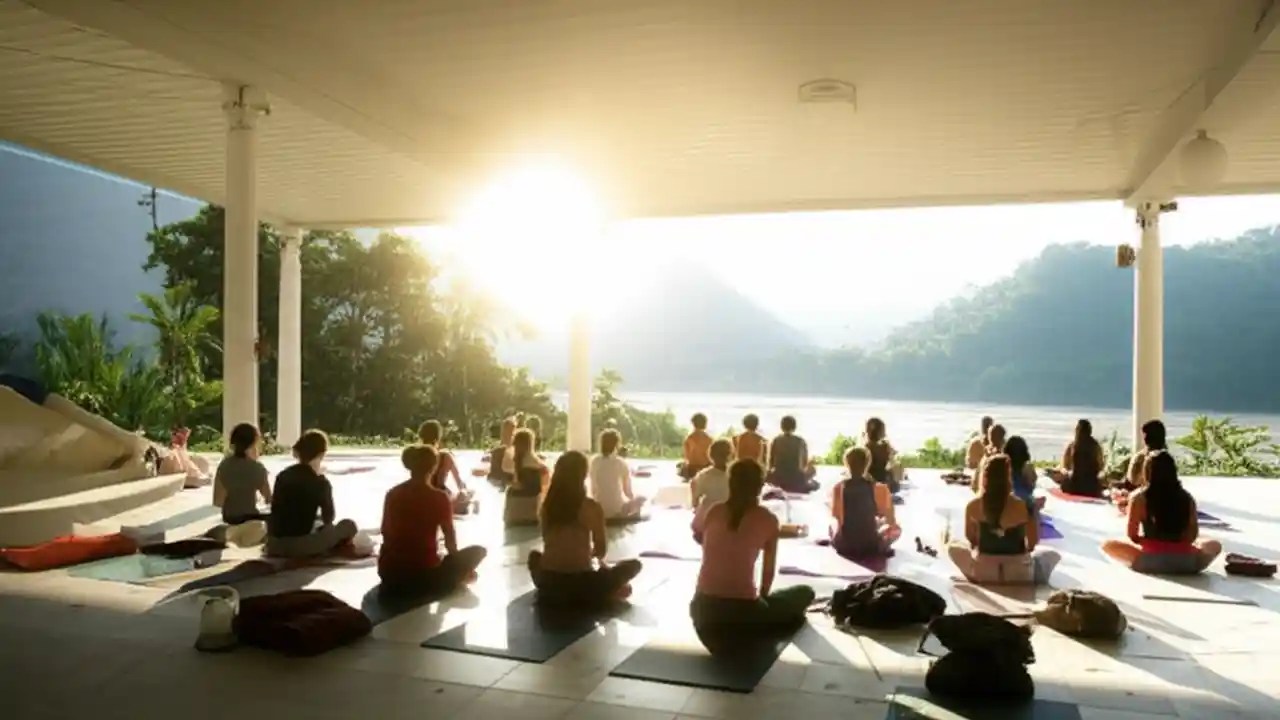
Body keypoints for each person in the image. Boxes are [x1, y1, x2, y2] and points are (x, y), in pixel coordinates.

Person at [690, 458, 816, 644]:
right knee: (805, 592)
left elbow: (704, 542)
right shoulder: (767, 519)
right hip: (744, 617)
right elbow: (767, 574)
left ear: (730, 483)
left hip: (702, 615)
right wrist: (763, 604)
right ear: (759, 487)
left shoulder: (714, 511)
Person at [528, 451, 643, 608]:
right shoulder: (590, 507)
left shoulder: (547, 507)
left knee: (534, 556)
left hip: (549, 581)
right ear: (583, 475)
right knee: (634, 565)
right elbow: (600, 550)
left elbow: (548, 541)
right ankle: (603, 592)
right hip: (583, 583)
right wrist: (596, 563)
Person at [378, 445, 487, 596]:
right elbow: (450, 544)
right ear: (434, 467)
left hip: (389, 573)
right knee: (479, 551)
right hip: (424, 576)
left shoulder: (393, 494)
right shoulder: (440, 498)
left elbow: (385, 531)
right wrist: (460, 568)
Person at [1101, 452, 1222, 575]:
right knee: (1214, 545)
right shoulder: (1186, 497)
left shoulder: (1139, 498)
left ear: (1146, 472)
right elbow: (1192, 536)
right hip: (1187, 562)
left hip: (1149, 560)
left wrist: (1149, 543)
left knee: (1108, 545)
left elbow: (1132, 535)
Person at [948, 455, 1060, 585]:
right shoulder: (1022, 506)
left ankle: (976, 576)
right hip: (1019, 573)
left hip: (984, 572)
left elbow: (971, 539)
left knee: (953, 547)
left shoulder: (973, 506)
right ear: (1008, 476)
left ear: (984, 476)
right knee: (1050, 555)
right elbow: (1032, 543)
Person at [265, 430, 358, 558]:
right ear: (321, 454)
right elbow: (329, 518)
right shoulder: (320, 482)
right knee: (348, 525)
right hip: (301, 546)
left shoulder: (282, 476)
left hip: (274, 545)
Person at [831, 447, 900, 560]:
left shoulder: (838, 488)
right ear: (868, 464)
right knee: (895, 529)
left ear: (846, 464)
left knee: (832, 526)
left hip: (845, 546)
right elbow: (890, 521)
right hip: (871, 546)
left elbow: (839, 519)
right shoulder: (879, 489)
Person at [212, 423, 272, 524]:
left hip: (230, 518)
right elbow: (269, 498)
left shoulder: (224, 466)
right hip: (250, 518)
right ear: (254, 443)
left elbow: (218, 501)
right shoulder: (257, 468)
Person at [417, 420, 473, 514]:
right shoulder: (445, 456)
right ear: (438, 437)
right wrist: (465, 492)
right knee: (466, 496)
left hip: (420, 497)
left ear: (421, 436)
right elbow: (459, 483)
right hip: (441, 498)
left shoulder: (415, 456)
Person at [589, 429, 646, 520]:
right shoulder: (621, 463)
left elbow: (593, 490)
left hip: (599, 510)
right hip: (617, 511)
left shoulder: (594, 461)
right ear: (617, 445)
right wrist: (633, 502)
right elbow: (628, 492)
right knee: (641, 499)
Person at [504, 428, 550, 526]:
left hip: (513, 515)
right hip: (533, 515)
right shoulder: (540, 466)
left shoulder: (511, 462)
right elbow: (545, 488)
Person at [691, 439, 733, 541]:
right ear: (730, 454)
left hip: (708, 517)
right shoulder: (735, 475)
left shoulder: (703, 475)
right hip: (728, 517)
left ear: (710, 455)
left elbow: (695, 498)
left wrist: (696, 508)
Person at [1050, 419, 1105, 497]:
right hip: (1091, 487)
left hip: (1074, 485)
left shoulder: (1073, 445)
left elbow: (1064, 467)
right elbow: (1101, 466)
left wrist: (1065, 472)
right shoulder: (1095, 445)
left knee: (1055, 474)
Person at [768, 415, 819, 493]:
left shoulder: (776, 440)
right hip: (796, 479)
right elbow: (804, 463)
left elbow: (771, 463)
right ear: (795, 427)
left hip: (778, 478)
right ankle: (805, 485)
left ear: (781, 427)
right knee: (813, 471)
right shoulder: (800, 441)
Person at [1125, 420, 1167, 490]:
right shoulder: (1168, 459)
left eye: (1144, 435)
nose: (1143, 438)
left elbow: (1133, 481)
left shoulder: (1141, 457)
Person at [1003, 435, 1042, 510]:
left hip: (1008, 500)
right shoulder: (1027, 466)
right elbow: (1032, 484)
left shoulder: (1003, 466)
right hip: (1023, 500)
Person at [864, 417, 900, 494]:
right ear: (881, 432)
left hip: (869, 481)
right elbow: (891, 463)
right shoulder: (884, 447)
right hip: (882, 479)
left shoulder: (865, 447)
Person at [680, 413, 714, 481]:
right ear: (705, 424)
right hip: (705, 467)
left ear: (693, 424)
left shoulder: (689, 439)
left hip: (692, 468)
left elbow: (686, 457)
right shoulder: (709, 439)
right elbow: (711, 456)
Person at [487, 417, 516, 487]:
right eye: (505, 431)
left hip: (508, 480)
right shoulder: (496, 450)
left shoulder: (517, 449)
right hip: (496, 480)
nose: (508, 434)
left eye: (510, 432)